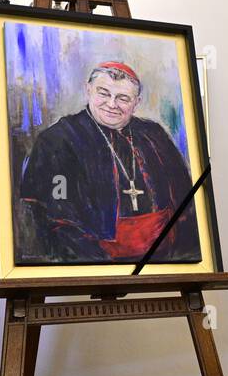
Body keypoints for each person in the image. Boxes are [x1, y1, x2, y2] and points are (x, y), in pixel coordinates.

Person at [18, 62, 200, 263]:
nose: (112, 104)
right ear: (88, 90)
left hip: (167, 255)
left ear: (136, 102)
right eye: (103, 93)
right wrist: (98, 262)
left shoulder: (153, 134)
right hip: (95, 257)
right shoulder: (58, 139)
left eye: (123, 98)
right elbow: (55, 216)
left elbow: (186, 198)